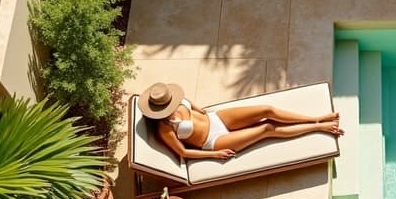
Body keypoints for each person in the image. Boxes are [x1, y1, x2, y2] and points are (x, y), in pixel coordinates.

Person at [138, 82, 343, 161]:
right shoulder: (164, 129)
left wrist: (200, 111)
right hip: (213, 141)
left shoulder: (179, 99)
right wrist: (215, 154)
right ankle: (318, 126)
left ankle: (316, 117)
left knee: (267, 109)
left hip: (216, 118)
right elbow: (183, 152)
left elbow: (198, 108)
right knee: (266, 128)